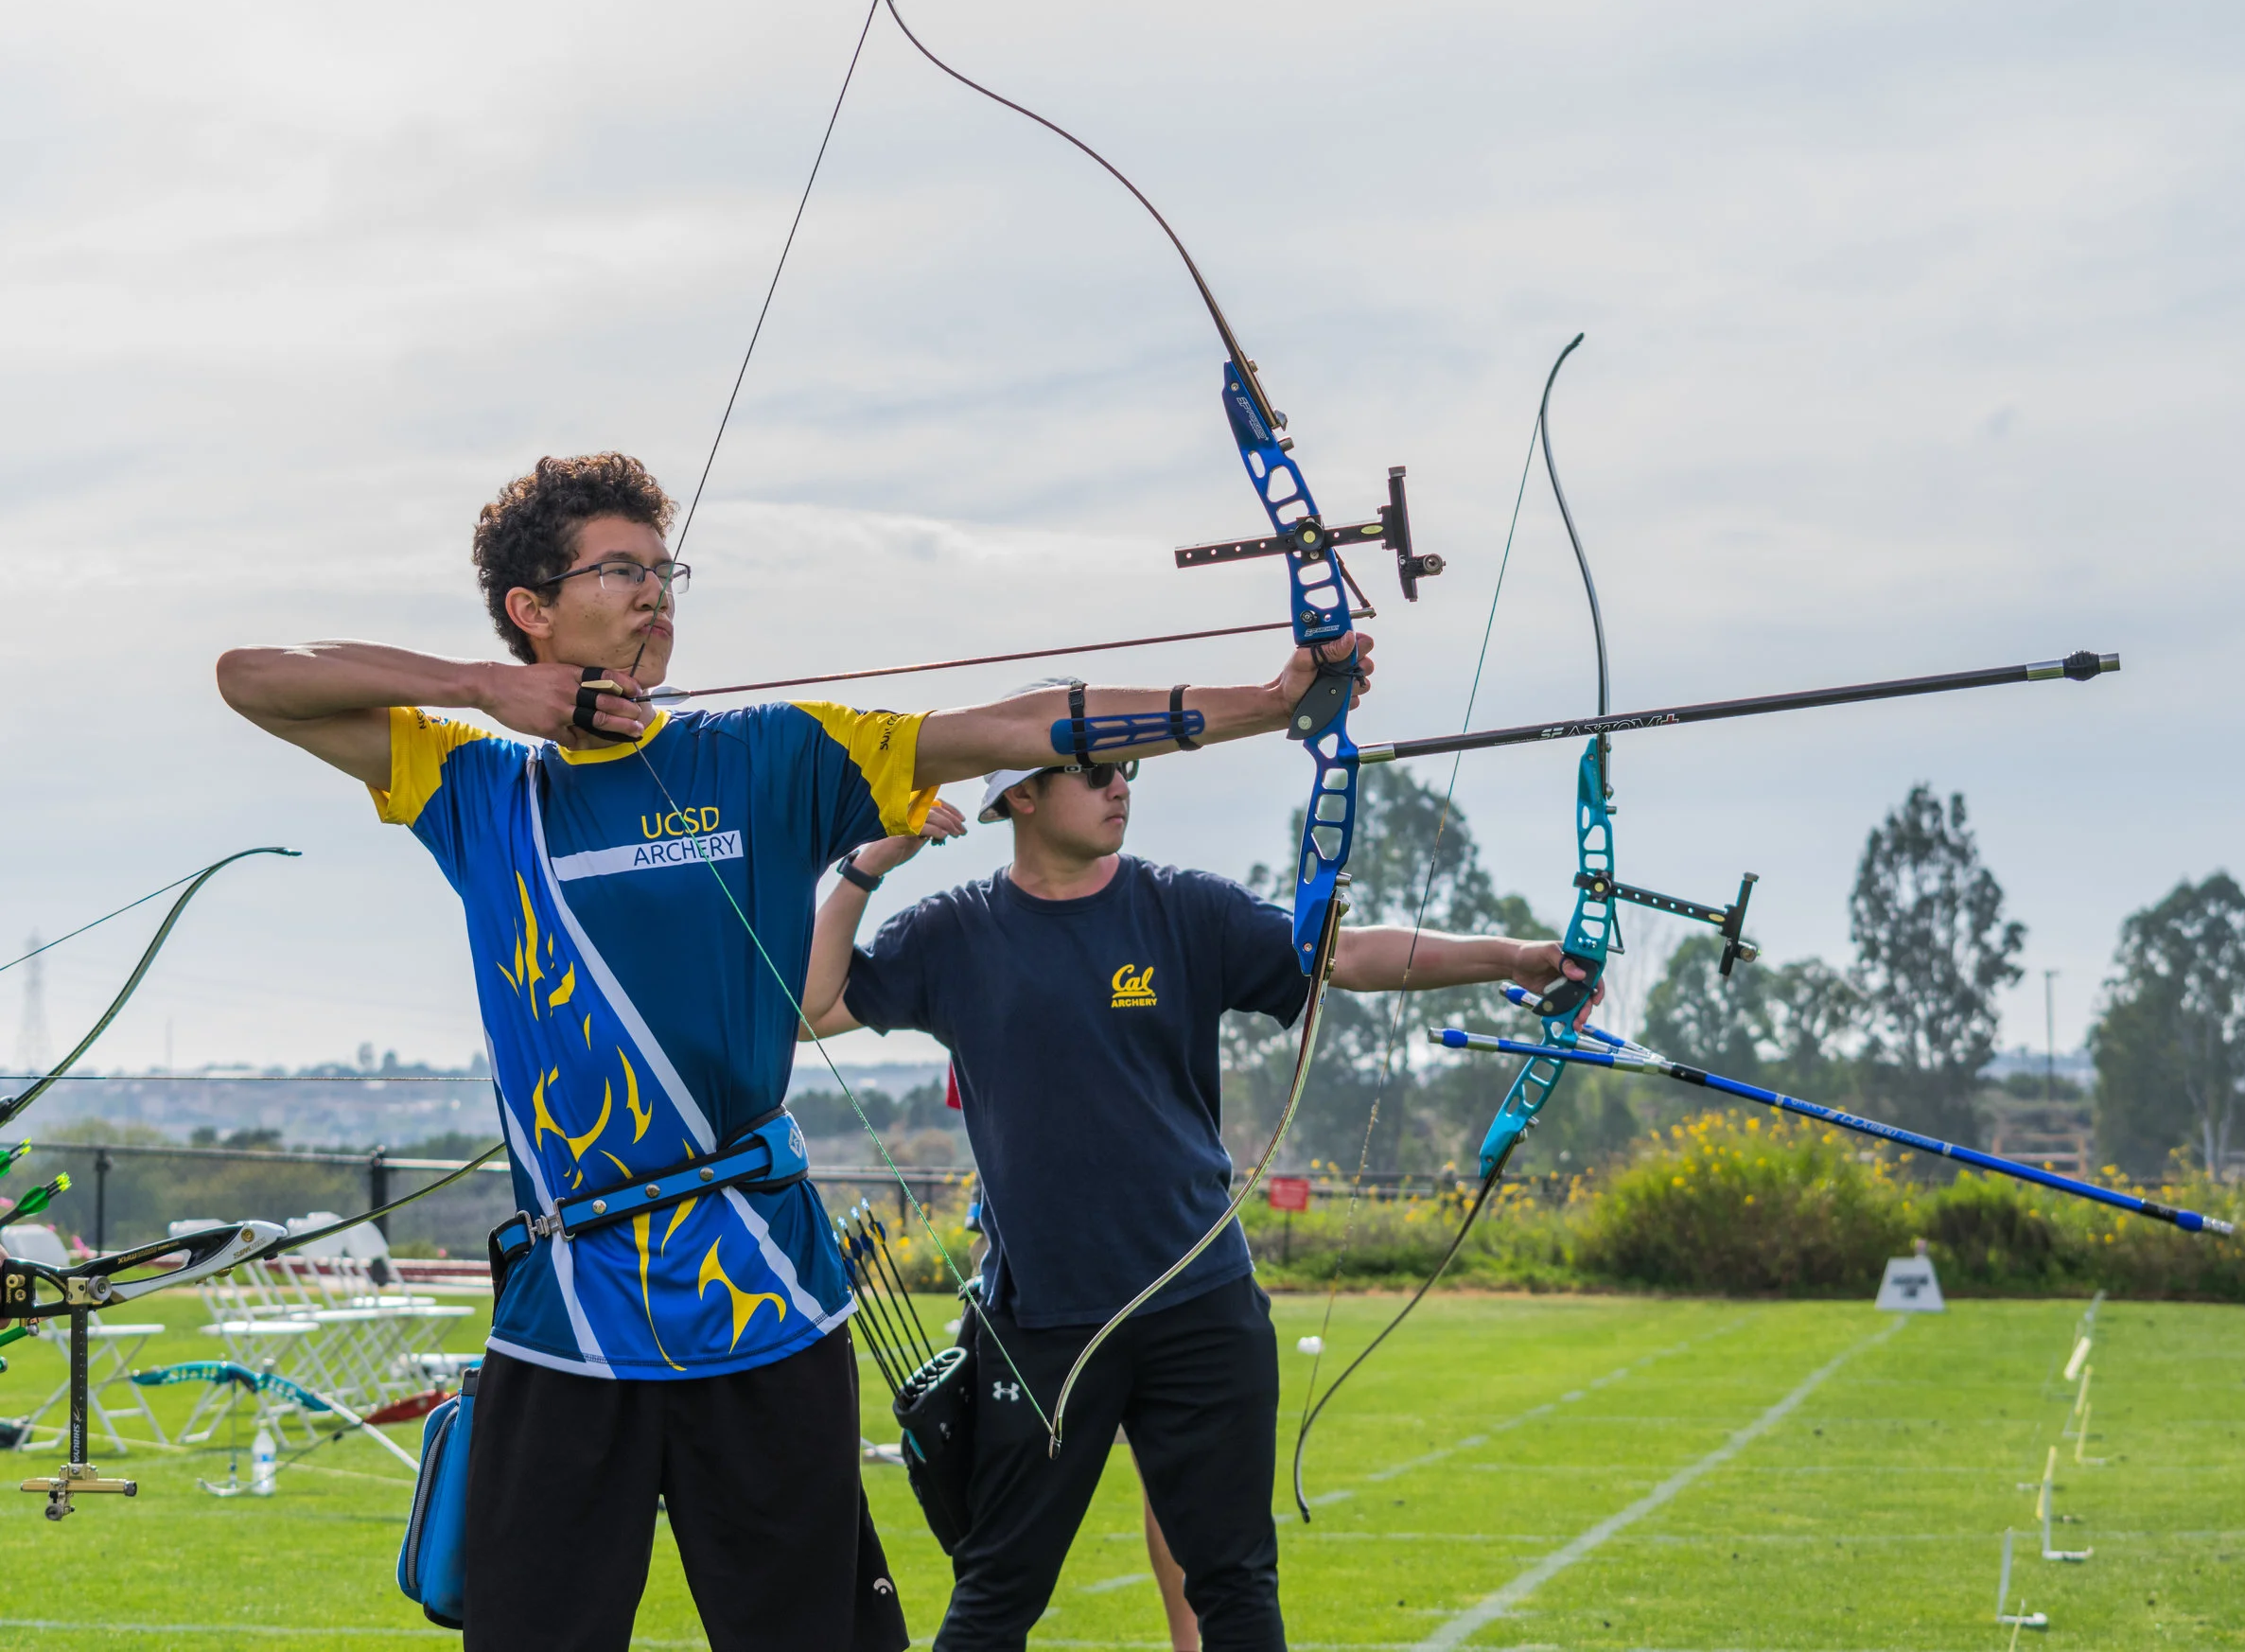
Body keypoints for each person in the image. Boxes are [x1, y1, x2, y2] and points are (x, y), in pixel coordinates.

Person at [214, 453, 1373, 1652]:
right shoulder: (476, 785)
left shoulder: (768, 756)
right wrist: (479, 691)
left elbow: (1014, 726)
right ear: (532, 608)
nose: (658, 593)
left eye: (667, 571)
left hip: (762, 1292)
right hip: (569, 1310)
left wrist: (1267, 699)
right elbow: (250, 676)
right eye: (623, 570)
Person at [798, 699, 1592, 1652]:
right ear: (1020, 793)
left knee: (1235, 1584)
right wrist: (865, 863)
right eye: (1096, 771)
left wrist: (1516, 955)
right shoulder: (953, 930)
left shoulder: (1182, 905)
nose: (1120, 785)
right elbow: (816, 1003)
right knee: (997, 1588)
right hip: (1045, 1322)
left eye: (1129, 771)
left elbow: (1342, 951)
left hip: (1201, 1303)